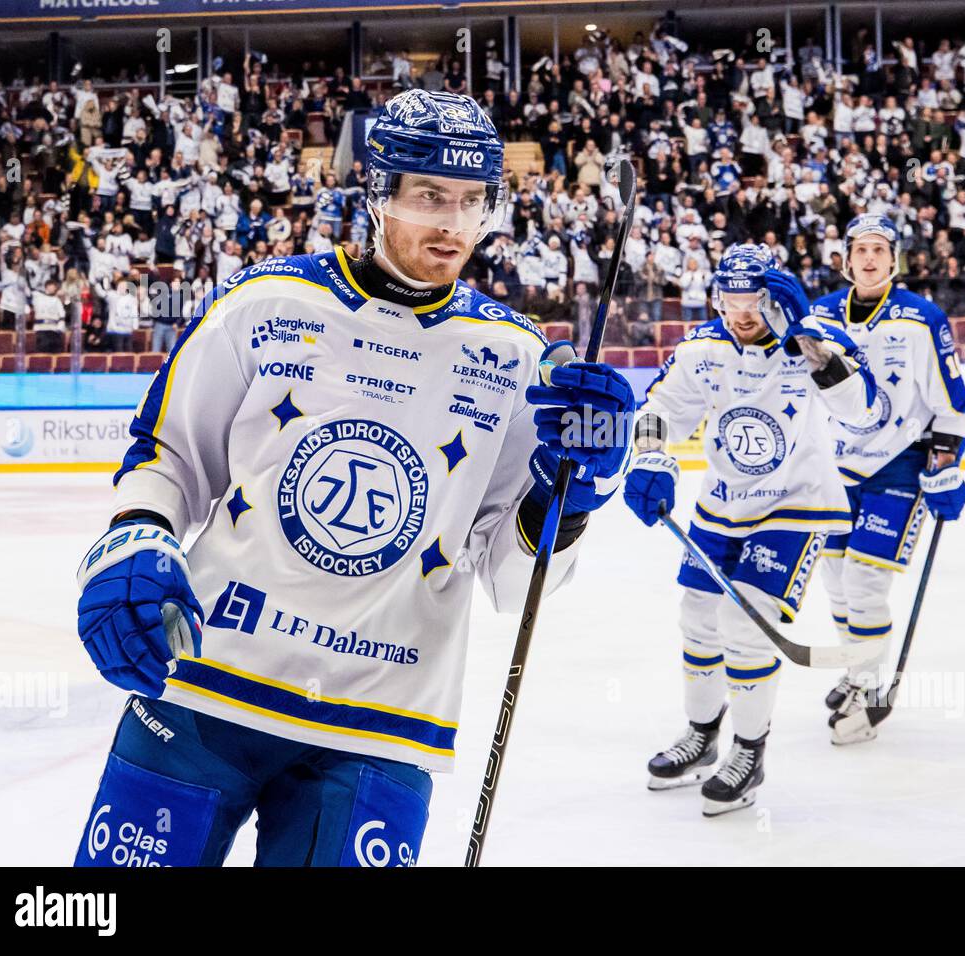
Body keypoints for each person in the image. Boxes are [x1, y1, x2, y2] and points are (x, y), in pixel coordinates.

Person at [72, 90, 634, 867]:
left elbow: (511, 575)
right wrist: (135, 537)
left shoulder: (517, 358)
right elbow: (167, 454)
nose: (453, 225)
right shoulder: (265, 301)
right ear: (376, 194)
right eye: (430, 196)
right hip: (206, 683)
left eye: (474, 203)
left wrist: (568, 497)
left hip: (385, 720)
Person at [623, 243, 877, 816]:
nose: (740, 313)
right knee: (696, 616)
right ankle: (703, 735)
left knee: (745, 622)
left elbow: (864, 412)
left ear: (777, 297)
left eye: (754, 301)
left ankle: (749, 751)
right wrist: (652, 457)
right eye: (729, 300)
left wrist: (810, 341)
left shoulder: (817, 338)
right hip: (722, 504)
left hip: (797, 505)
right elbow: (660, 409)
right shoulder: (703, 348)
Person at [809, 214, 965, 744]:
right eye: (861, 249)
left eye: (880, 249)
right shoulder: (821, 315)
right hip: (833, 465)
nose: (871, 258)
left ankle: (869, 682)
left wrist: (946, 459)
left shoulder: (921, 318)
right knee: (834, 579)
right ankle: (857, 668)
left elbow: (951, 400)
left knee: (864, 581)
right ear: (846, 258)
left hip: (898, 462)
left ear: (894, 259)